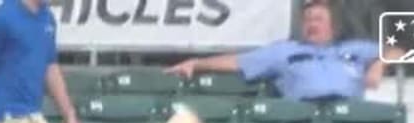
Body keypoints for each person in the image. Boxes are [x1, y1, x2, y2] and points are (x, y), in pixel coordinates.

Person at [165, 0, 386, 103]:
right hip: (303, 117)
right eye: (307, 19)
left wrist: (378, 65)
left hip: (349, 114)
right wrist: (197, 63)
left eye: (318, 19)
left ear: (333, 25)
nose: (312, 24)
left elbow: (396, 50)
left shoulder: (355, 48)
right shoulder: (283, 51)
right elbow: (237, 61)